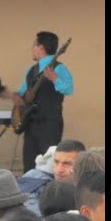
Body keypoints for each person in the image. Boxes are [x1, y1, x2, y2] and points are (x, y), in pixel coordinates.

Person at [16, 31, 75, 172]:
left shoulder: (59, 67)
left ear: (41, 47)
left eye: (34, 45)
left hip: (50, 124)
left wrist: (55, 78)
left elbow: (69, 89)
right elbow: (21, 94)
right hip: (31, 123)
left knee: (49, 164)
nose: (32, 49)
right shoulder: (31, 70)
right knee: (29, 164)